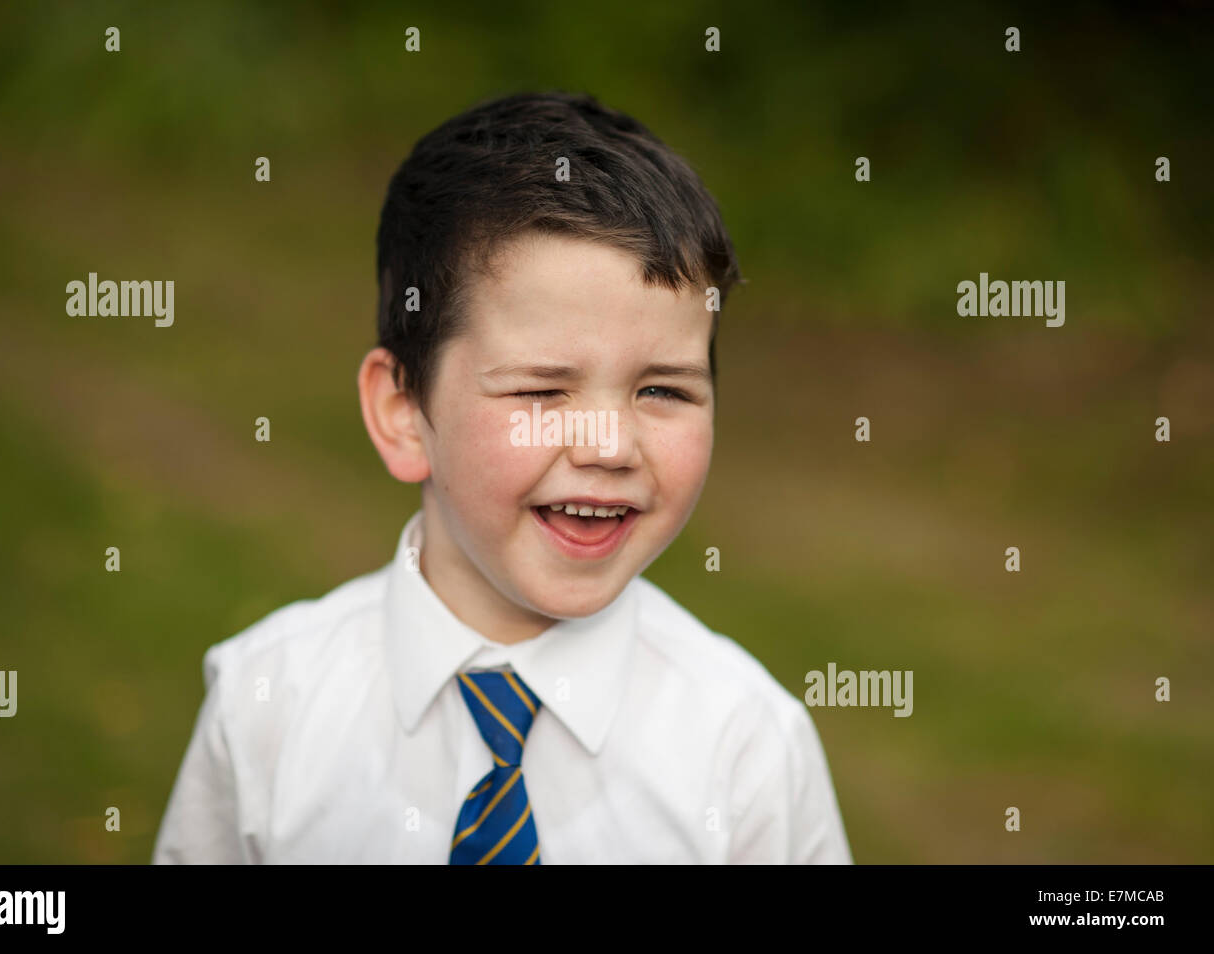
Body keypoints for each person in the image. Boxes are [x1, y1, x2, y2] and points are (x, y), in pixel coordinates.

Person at [153, 90, 853, 864]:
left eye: (662, 390)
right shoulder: (266, 707)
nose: (609, 445)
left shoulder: (747, 747)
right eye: (541, 390)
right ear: (404, 413)